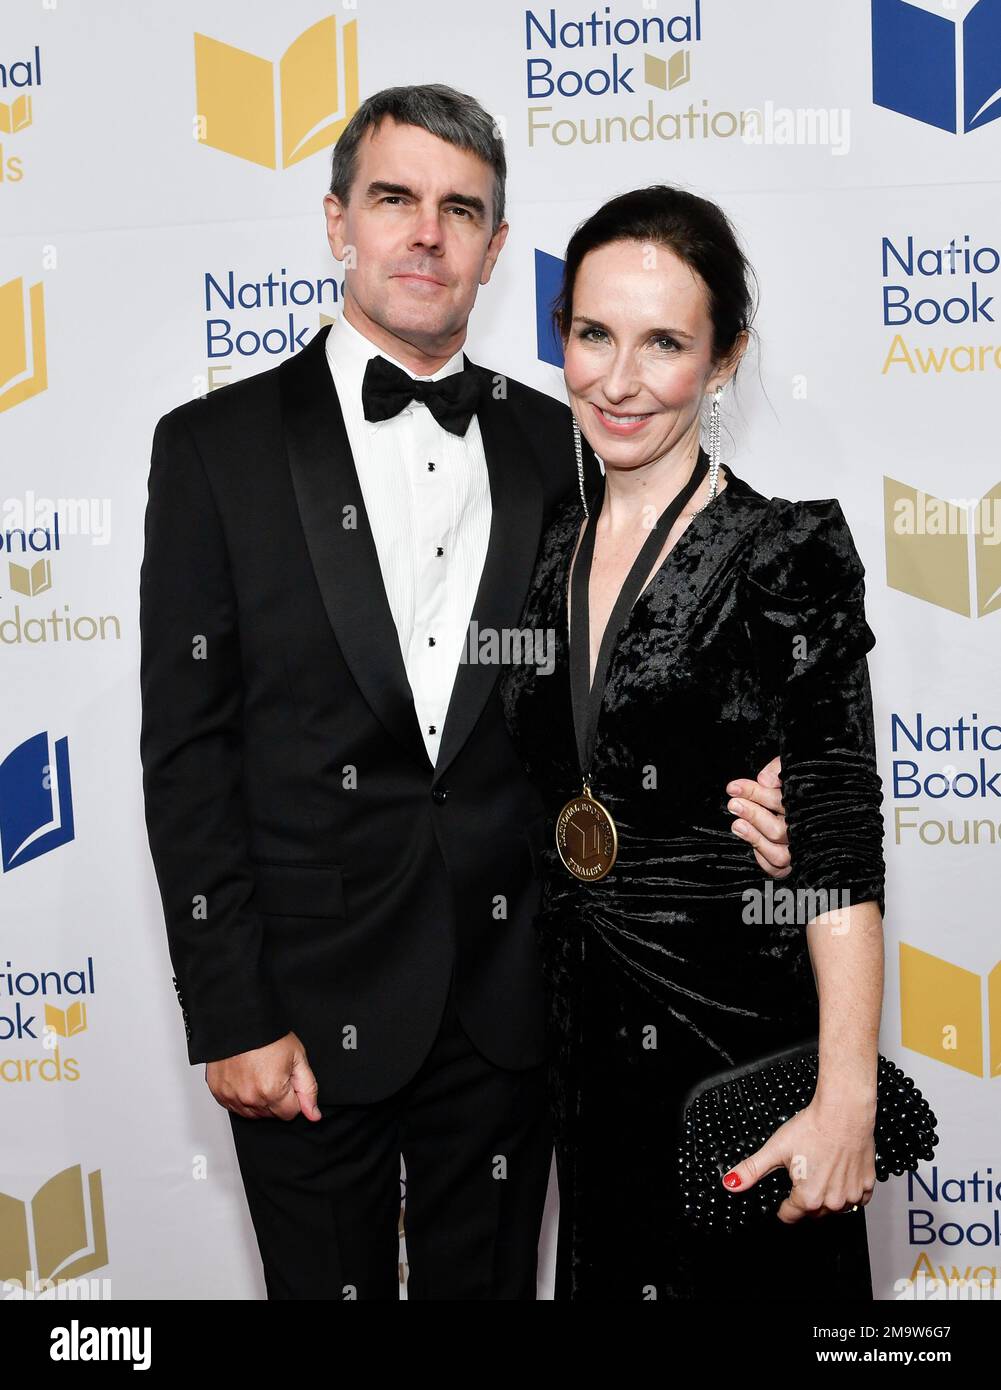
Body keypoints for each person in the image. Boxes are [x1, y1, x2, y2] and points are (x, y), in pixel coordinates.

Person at [139, 88, 791, 1301]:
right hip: (299, 1009)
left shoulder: (566, 445)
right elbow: (186, 752)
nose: (426, 234)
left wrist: (767, 789)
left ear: (498, 248)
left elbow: (633, 679)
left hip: (509, 1004)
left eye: (461, 210)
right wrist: (229, 1012)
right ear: (337, 221)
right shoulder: (211, 449)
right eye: (394, 199)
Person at [500, 185, 887, 1300]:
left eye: (663, 342)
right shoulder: (543, 545)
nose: (617, 381)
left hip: (732, 1033)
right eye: (591, 334)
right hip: (579, 1035)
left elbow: (836, 835)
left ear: (723, 361)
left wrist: (844, 1095)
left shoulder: (782, 552)